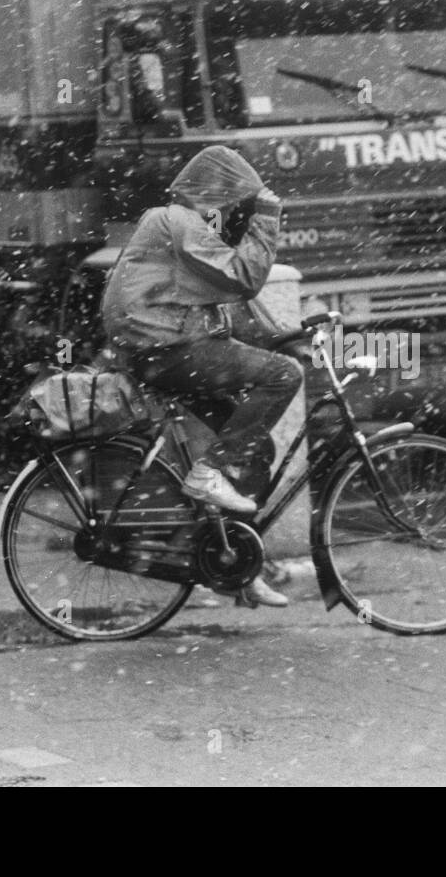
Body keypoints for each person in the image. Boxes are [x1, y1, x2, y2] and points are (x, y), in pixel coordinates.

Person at [101, 145, 303, 608]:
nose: (234, 211)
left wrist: (283, 335)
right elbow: (244, 278)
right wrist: (266, 217)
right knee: (282, 377)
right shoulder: (178, 222)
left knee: (255, 451)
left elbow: (235, 303)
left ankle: (232, 564)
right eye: (232, 201)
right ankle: (209, 471)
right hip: (164, 351)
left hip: (166, 348)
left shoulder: (181, 227)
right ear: (213, 195)